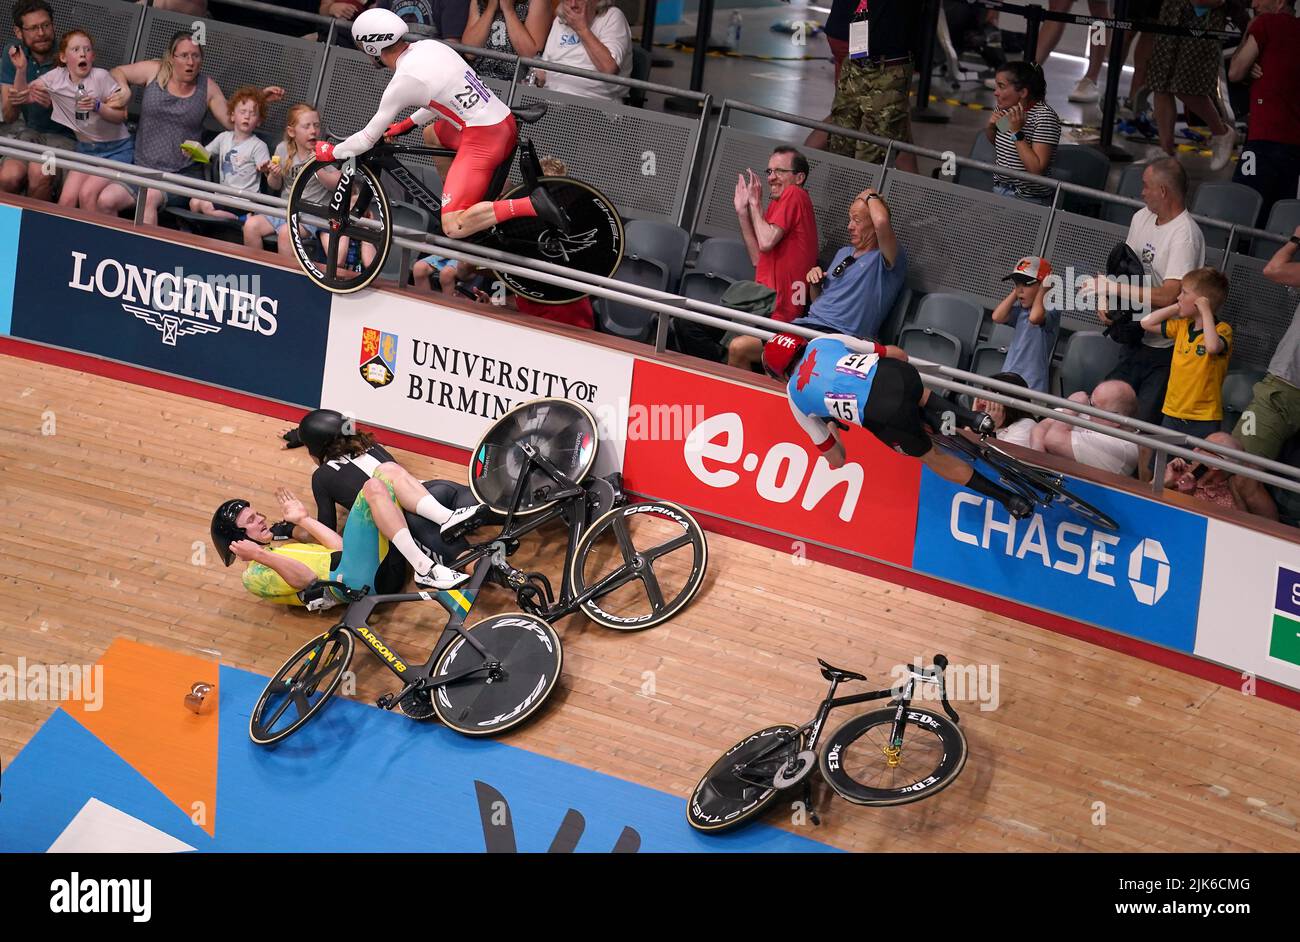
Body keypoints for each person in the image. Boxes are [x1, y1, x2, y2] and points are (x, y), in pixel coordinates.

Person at [315, 8, 569, 241]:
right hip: (498, 120)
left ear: (372, 48)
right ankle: (462, 199)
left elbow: (366, 139)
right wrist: (405, 125)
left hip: (483, 137)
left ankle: (527, 204)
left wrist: (331, 152)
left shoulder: (403, 80)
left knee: (453, 227)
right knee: (431, 134)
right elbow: (438, 95)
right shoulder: (429, 46)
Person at [764, 331, 1033, 519]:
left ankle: (1008, 499)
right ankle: (971, 418)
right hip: (899, 377)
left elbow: (837, 459)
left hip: (886, 415)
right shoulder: (823, 341)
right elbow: (897, 354)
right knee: (918, 393)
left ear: (780, 375)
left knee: (933, 457)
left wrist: (830, 423)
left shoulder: (794, 396)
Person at [100, 31, 285, 224]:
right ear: (172, 57)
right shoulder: (154, 70)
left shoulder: (207, 87)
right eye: (184, 56)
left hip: (179, 177)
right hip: (140, 169)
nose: (190, 62)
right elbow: (117, 72)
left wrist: (259, 99)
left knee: (148, 199)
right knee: (105, 200)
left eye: (195, 56)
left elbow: (234, 121)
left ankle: (145, 253)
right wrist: (125, 89)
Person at [211, 475, 468, 611]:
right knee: (373, 486)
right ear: (238, 540)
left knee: (386, 472)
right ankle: (425, 568)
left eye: (257, 514)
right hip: (355, 585)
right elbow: (307, 580)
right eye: (252, 521)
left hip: (369, 567)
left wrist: (304, 519)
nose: (262, 519)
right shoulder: (254, 575)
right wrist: (260, 556)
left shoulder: (284, 548)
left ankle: (449, 519)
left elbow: (339, 546)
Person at [285, 408, 490, 565]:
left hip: (412, 519)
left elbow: (326, 530)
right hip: (433, 489)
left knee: (466, 560)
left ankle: (509, 580)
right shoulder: (368, 444)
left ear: (315, 448)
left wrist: (292, 528)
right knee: (497, 506)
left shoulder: (321, 477)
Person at [1090, 157, 1206, 426]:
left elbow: (1169, 295)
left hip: (1164, 348)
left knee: (1142, 429)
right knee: (1104, 415)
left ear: (1163, 191)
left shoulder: (1185, 235)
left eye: (1146, 186)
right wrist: (1108, 302)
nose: (1141, 192)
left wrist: (1112, 288)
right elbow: (1123, 269)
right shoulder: (1140, 217)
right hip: (1134, 337)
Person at [9, 28, 131, 213]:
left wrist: (98, 106)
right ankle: (57, 240)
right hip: (86, 151)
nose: (83, 53)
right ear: (64, 58)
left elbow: (121, 116)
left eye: (87, 50)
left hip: (116, 150)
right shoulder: (56, 76)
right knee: (66, 200)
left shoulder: (100, 76)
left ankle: (93, 241)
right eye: (76, 50)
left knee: (87, 194)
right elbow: (22, 96)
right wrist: (21, 70)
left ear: (93, 56)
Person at [726, 146, 819, 372]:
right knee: (690, 326)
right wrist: (743, 212)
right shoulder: (778, 203)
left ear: (799, 177)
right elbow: (759, 257)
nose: (771, 177)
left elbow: (766, 241)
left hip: (781, 318)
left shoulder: (795, 194)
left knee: (732, 345)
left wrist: (756, 205)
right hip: (760, 308)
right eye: (769, 171)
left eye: (779, 171)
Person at [1230, 226, 1300, 515]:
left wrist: (1296, 238)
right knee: (1238, 472)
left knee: (1238, 473)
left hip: (1283, 388)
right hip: (1283, 387)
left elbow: (1273, 269)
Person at [244, 103, 356, 264]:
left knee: (285, 233)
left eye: (316, 126)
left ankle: (285, 278)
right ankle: (257, 270)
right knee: (251, 226)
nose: (313, 131)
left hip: (310, 214)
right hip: (285, 209)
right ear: (291, 132)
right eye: (307, 126)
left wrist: (318, 169)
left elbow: (338, 184)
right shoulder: (282, 149)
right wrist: (273, 174)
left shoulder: (323, 153)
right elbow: (275, 186)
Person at [791, 188, 907, 341]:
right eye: (850, 219)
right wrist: (815, 284)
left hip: (840, 335)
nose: (849, 226)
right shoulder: (843, 253)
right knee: (749, 345)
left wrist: (870, 193)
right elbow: (819, 301)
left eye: (857, 221)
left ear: (874, 226)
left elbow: (881, 222)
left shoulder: (887, 257)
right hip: (807, 324)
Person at [822, 0, 922, 174]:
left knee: (871, 153)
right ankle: (833, 196)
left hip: (890, 65)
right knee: (840, 143)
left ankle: (865, 199)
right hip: (856, 58)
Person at [1134, 266, 1233, 441]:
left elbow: (1211, 347)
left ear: (1202, 302)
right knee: (1165, 463)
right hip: (1172, 412)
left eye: (1184, 293)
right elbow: (1146, 323)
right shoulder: (1182, 326)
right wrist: (1176, 307)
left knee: (1194, 466)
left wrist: (1205, 311)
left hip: (1204, 418)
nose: (1179, 297)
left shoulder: (1222, 330)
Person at [1226, 0, 1300, 226]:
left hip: (1263, 141)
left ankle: (1239, 260)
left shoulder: (1266, 23)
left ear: (1279, 2)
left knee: (1243, 208)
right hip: (1294, 146)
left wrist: (1249, 31)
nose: (1254, 3)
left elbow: (1235, 72)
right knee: (1277, 218)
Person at [1, 0, 76, 202]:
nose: (41, 33)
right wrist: (21, 72)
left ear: (54, 25)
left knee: (40, 174)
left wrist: (54, 104)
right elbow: (9, 116)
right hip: (28, 134)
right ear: (19, 32)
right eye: (33, 28)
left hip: (62, 140)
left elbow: (86, 119)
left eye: (45, 25)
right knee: (8, 176)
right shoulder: (14, 52)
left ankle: (32, 231)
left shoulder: (71, 54)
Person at [1146, 0, 1235, 168]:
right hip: (1172, 11)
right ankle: (1166, 153)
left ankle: (1221, 132)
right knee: (1160, 84)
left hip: (1203, 15)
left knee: (1187, 85)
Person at [187, 86, 271, 221]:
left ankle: (242, 218)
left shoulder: (259, 146)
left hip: (244, 201)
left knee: (207, 207)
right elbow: (205, 155)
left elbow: (267, 168)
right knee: (194, 202)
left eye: (252, 114)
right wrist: (191, 151)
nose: (247, 116)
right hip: (223, 196)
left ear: (259, 121)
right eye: (242, 111)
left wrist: (266, 168)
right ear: (232, 115)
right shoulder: (223, 137)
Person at [1030, 379, 1142, 476]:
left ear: (1115, 419)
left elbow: (1054, 440)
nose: (1087, 408)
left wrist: (1071, 407)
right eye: (1089, 401)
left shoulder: (1121, 447)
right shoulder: (1099, 419)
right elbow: (1043, 425)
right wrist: (1038, 454)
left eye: (1093, 406)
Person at [986, 61, 1061, 205]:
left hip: (1028, 198)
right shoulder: (1006, 109)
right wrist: (990, 127)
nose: (995, 92)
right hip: (1000, 189)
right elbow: (998, 142)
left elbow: (1036, 169)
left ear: (1023, 92)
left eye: (1001, 86)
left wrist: (1017, 132)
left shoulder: (1044, 117)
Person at [532, 0, 632, 101]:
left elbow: (609, 69)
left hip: (594, 105)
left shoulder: (612, 16)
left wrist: (581, 29)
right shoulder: (560, 20)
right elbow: (544, 70)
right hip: (551, 100)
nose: (573, 4)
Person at [991, 256, 1061, 393]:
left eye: (1026, 284)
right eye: (1017, 284)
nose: (1020, 290)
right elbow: (997, 317)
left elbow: (1035, 318)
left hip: (1032, 385)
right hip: (1007, 378)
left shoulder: (1051, 309)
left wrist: (1043, 290)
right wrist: (1016, 291)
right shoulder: (1021, 310)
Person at [1164, 432, 1275, 515]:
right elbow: (1147, 511)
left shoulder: (1233, 497)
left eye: (1202, 448)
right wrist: (1163, 482)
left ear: (1217, 463)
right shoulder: (1177, 471)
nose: (1194, 450)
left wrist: (1186, 498)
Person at [463, 0, 553, 81]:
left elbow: (531, 56)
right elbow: (469, 53)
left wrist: (508, 10)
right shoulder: (479, 2)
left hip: (515, 83)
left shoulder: (537, 2)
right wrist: (490, 9)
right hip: (477, 80)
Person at [973, 372, 1038, 447]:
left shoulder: (1026, 426)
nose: (982, 402)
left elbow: (996, 456)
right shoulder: (1002, 425)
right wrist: (974, 420)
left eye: (989, 398)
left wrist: (990, 427)